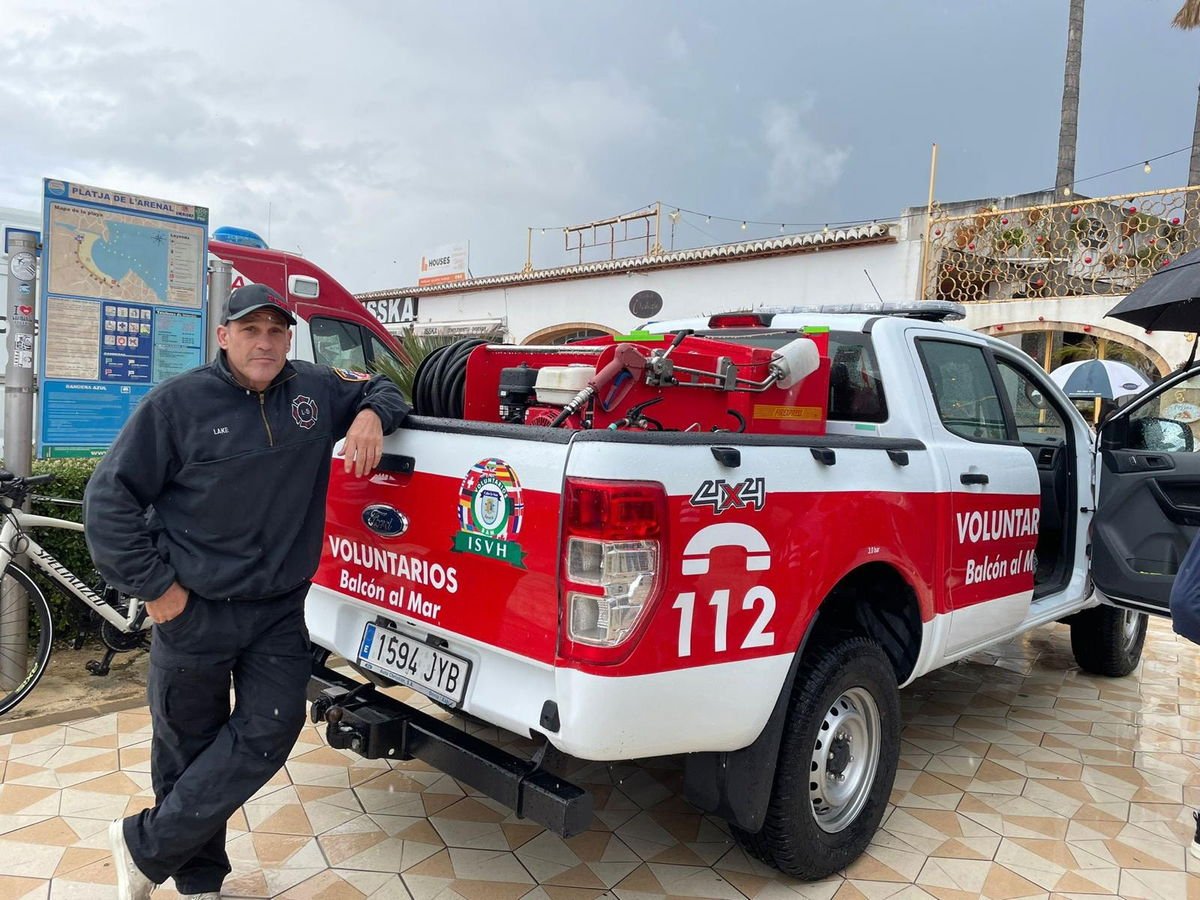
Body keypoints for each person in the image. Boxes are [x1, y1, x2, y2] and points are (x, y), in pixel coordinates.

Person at [83, 284, 410, 900]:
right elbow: (109, 500)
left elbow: (381, 385)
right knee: (187, 746)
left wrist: (370, 414)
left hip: (278, 612)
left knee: (270, 730)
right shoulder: (176, 406)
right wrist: (158, 590)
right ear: (224, 336)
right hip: (194, 611)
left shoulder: (314, 388)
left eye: (276, 332)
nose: (265, 343)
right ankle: (198, 879)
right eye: (251, 330)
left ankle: (142, 846)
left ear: (289, 338)